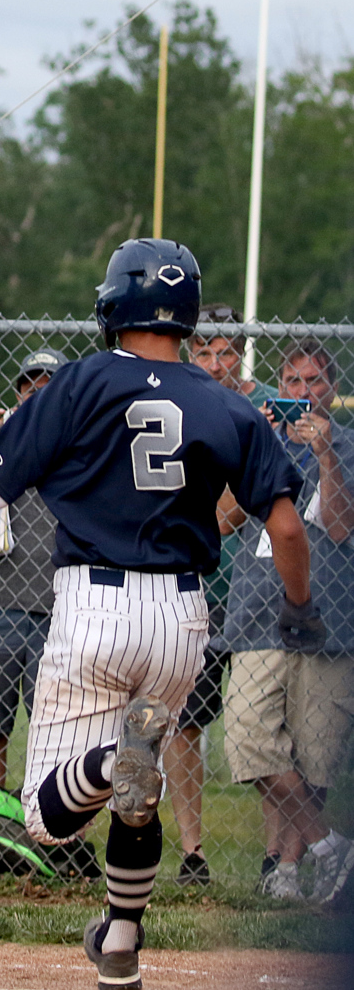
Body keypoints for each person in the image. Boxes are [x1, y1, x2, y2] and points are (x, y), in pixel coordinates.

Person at [0, 238, 320, 990]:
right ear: (184, 314)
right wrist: (300, 608)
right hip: (182, 618)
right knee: (134, 799)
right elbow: (284, 528)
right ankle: (120, 938)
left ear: (113, 301)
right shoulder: (224, 402)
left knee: (48, 819)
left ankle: (111, 759)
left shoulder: (79, 383)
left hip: (94, 606)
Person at [0, 349, 99, 880]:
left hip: (63, 610)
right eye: (29, 386)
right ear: (18, 394)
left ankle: (64, 845)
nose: (37, 394)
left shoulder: (86, 443)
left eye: (47, 386)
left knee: (60, 735)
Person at [224, 338, 354, 903]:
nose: (303, 395)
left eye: (315, 383)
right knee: (250, 738)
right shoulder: (262, 441)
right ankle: (329, 845)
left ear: (333, 389)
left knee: (313, 756)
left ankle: (286, 869)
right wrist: (256, 443)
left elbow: (342, 526)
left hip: (328, 619)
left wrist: (326, 454)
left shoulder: (347, 444)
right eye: (293, 384)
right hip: (256, 615)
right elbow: (224, 520)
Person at [164, 305, 275, 886]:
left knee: (267, 730)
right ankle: (193, 853)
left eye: (226, 350)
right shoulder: (175, 402)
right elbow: (211, 514)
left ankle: (279, 857)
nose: (214, 362)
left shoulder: (270, 408)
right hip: (199, 590)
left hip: (260, 596)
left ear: (242, 355)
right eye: (204, 350)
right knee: (186, 722)